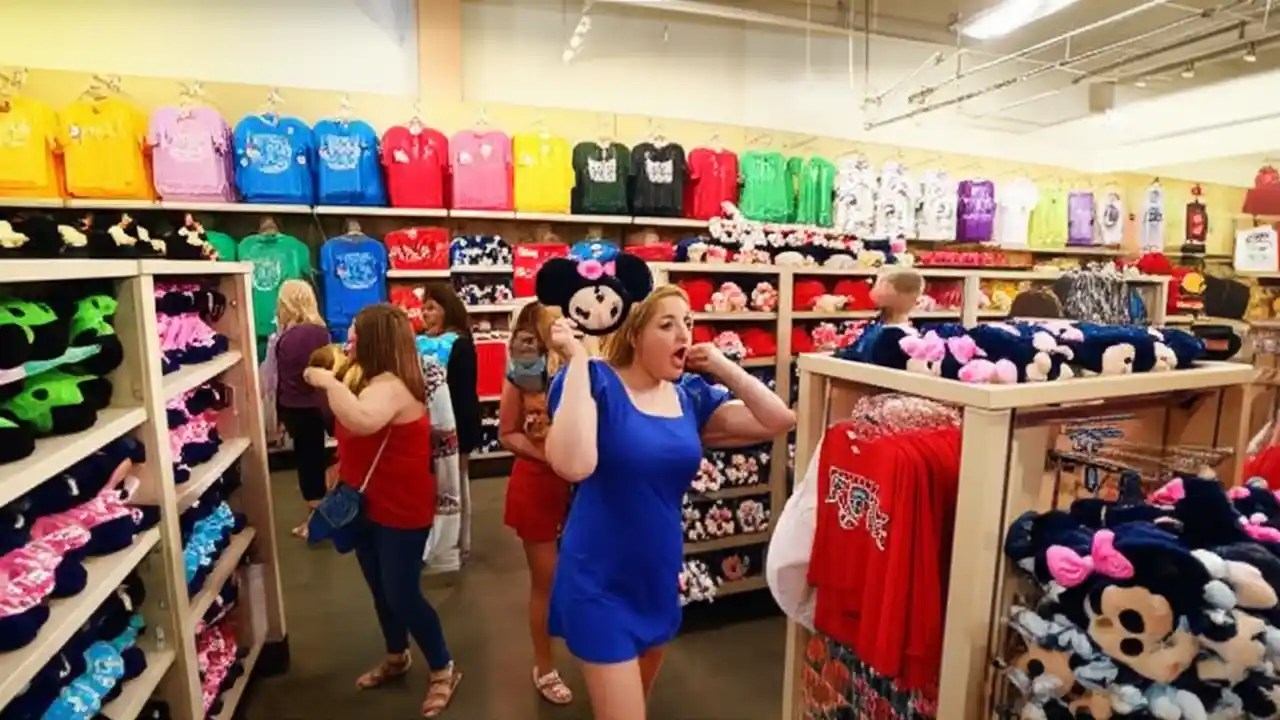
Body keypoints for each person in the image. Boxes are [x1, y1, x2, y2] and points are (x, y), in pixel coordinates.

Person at [543, 284, 796, 720]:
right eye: (667, 324)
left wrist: (720, 365)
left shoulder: (689, 397)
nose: (684, 333)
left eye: (689, 323)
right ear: (634, 334)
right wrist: (580, 357)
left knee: (636, 702)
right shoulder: (593, 381)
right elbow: (574, 464)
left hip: (657, 576)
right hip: (598, 578)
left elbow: (778, 419)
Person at [303, 304, 462, 717]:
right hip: (365, 502)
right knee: (380, 590)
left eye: (355, 334)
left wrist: (324, 381)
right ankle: (397, 655)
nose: (348, 341)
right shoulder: (365, 378)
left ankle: (444, 666)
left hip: (400, 506)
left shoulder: (390, 385)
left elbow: (361, 420)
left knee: (402, 593)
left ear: (374, 340)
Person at [499, 302, 573, 705]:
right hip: (539, 487)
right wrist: (552, 457)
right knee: (546, 581)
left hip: (583, 490)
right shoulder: (523, 374)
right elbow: (507, 433)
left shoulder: (584, 367)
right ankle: (544, 666)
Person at [271, 280, 332, 539]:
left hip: (296, 407)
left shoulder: (286, 336)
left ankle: (316, 524)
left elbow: (280, 378)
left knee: (308, 466)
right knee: (316, 461)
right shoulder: (321, 332)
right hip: (319, 405)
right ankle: (317, 520)